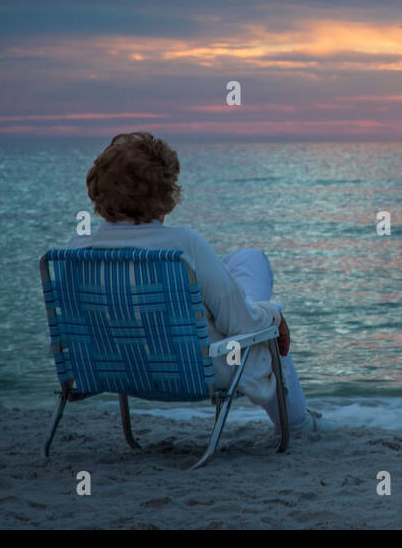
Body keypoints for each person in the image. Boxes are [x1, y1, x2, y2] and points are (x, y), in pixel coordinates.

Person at [67, 131, 317, 435]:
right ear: (165, 191)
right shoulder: (183, 245)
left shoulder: (76, 252)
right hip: (196, 370)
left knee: (243, 264)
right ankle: (299, 424)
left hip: (113, 369)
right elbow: (241, 324)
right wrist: (274, 315)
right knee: (256, 299)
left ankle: (227, 293)